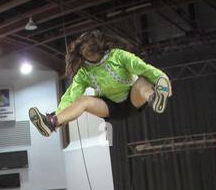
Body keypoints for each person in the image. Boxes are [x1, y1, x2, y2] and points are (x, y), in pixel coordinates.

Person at [29, 29, 172, 137]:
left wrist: (161, 79)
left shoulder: (119, 56)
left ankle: (155, 98)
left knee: (142, 80)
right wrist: (60, 114)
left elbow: (143, 68)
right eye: (87, 57)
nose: (92, 59)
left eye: (93, 56)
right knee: (82, 100)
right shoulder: (84, 72)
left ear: (101, 49)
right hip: (109, 106)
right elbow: (71, 96)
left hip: (132, 99)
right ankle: (52, 123)